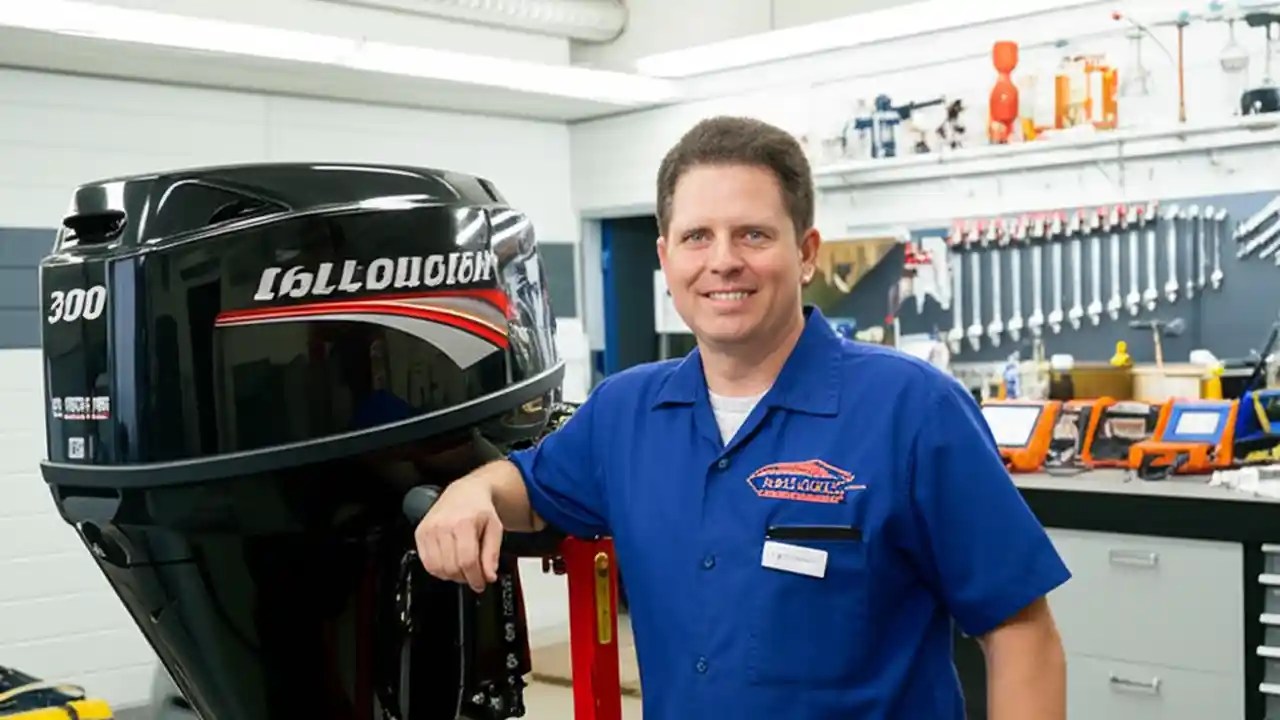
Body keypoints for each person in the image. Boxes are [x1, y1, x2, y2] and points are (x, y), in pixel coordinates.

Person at [415, 115, 1070, 719]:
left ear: (806, 252)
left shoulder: (914, 410)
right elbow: (530, 487)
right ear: (666, 258)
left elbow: (1020, 632)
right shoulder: (625, 412)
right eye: (697, 236)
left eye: (752, 234)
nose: (723, 260)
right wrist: (474, 491)